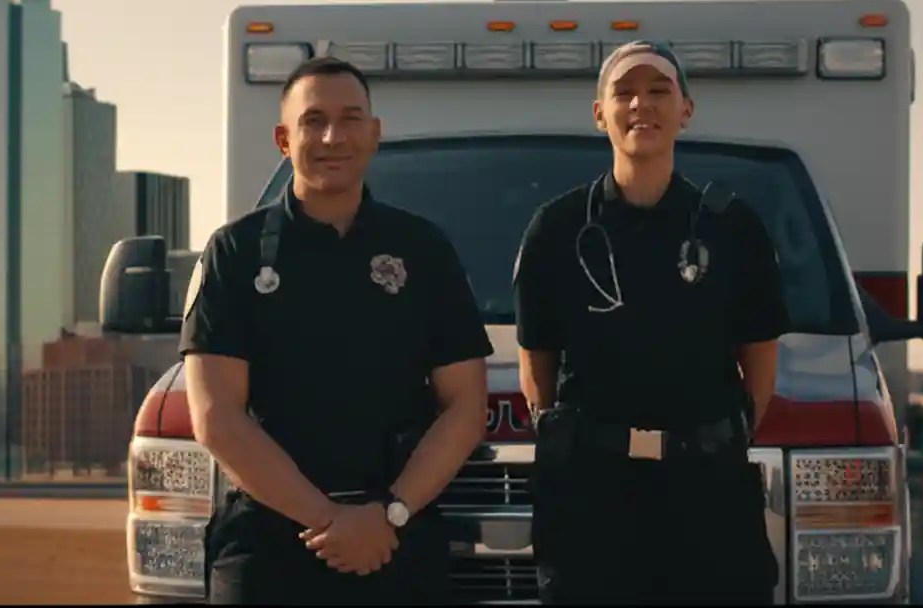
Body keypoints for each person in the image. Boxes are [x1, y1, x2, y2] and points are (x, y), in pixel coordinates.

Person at [181, 56, 492, 605]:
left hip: (395, 535)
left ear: (374, 135)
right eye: (313, 120)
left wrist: (389, 513)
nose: (333, 136)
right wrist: (328, 520)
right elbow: (216, 417)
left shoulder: (423, 251)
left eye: (350, 119)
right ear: (283, 138)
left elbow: (466, 405)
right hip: (268, 537)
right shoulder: (235, 253)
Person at [513, 41, 788, 604]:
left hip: (710, 497)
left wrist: (706, 444)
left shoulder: (732, 227)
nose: (642, 104)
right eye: (624, 92)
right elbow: (537, 375)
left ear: (686, 109)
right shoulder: (557, 229)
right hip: (593, 500)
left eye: (659, 90)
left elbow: (758, 369)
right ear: (599, 114)